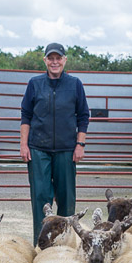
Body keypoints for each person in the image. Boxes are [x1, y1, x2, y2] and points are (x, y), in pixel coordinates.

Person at [20, 42, 90, 243]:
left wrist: (80, 144)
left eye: (58, 58)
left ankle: (65, 243)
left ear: (65, 60)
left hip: (67, 149)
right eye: (50, 58)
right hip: (38, 149)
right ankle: (40, 244)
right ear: (45, 61)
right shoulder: (35, 83)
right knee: (41, 198)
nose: (54, 62)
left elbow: (83, 116)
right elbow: (26, 115)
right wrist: (24, 145)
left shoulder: (75, 84)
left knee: (67, 199)